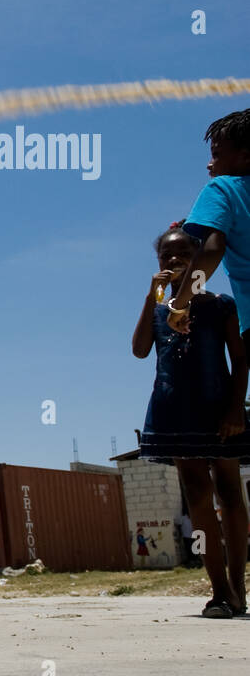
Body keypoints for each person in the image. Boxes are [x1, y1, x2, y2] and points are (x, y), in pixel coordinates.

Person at [135, 221, 250, 617]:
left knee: (230, 496)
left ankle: (238, 587)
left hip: (219, 409)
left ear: (198, 258)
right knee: (198, 497)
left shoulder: (220, 305)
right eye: (167, 254)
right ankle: (219, 591)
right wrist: (153, 296)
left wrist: (237, 408)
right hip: (174, 410)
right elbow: (139, 350)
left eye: (184, 252)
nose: (175, 259)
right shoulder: (161, 306)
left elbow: (241, 361)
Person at [167, 109, 250, 342]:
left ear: (245, 158)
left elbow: (212, 250)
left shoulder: (223, 189)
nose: (209, 164)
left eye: (216, 155)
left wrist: (181, 303)